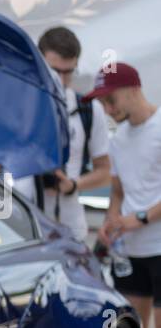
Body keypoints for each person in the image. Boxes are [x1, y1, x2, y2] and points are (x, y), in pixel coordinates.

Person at [92, 62, 161, 328]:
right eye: (103, 102)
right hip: (130, 251)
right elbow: (118, 191)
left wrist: (144, 217)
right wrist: (112, 220)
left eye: (111, 99)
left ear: (133, 90)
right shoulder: (117, 139)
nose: (107, 108)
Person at [32, 27, 112, 241]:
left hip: (69, 226)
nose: (61, 79)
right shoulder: (18, 107)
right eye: (54, 71)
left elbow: (105, 171)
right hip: (22, 224)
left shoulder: (89, 109)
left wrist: (73, 185)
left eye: (68, 72)